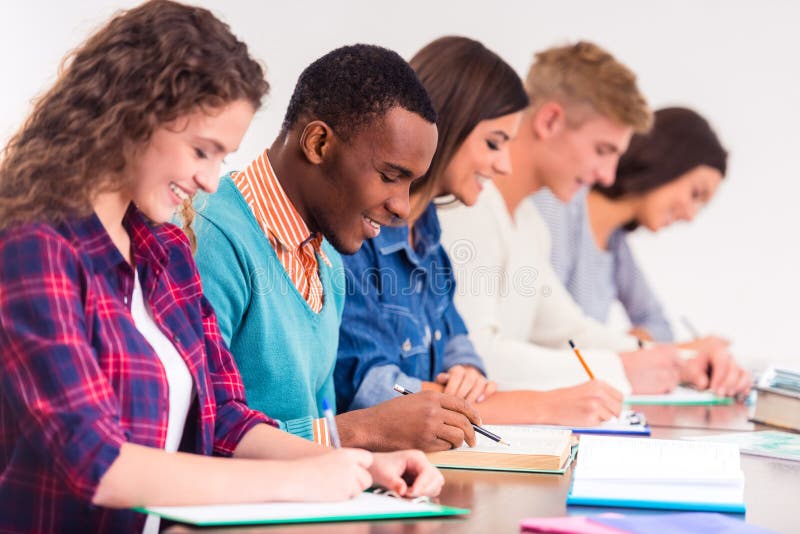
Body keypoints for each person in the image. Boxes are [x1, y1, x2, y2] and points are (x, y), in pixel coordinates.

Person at [0, 3, 441, 532]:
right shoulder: (34, 246)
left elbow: (225, 418)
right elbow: (96, 461)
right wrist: (296, 481)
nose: (210, 181)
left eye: (222, 158)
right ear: (130, 118)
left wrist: (360, 466)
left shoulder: (164, 249)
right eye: (200, 151)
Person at [188, 43, 483, 453]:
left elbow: (322, 426)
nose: (402, 207)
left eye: (411, 184)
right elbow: (197, 433)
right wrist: (365, 430)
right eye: (390, 176)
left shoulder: (327, 262)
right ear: (319, 144)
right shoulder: (209, 236)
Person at [336, 36, 626, 427]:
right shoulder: (357, 233)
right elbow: (372, 388)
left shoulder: (429, 233)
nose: (504, 165)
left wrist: (468, 372)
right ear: (446, 126)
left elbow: (457, 338)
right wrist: (537, 406)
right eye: (493, 144)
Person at [439, 42, 749, 398]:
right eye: (603, 150)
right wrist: (622, 370)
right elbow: (478, 358)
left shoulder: (530, 225)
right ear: (550, 121)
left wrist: (682, 362)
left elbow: (571, 333)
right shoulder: (466, 207)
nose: (607, 176)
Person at [533, 107, 750, 394]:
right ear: (667, 160)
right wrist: (678, 352)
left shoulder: (616, 245)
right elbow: (548, 334)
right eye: (695, 194)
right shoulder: (555, 209)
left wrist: (643, 350)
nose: (690, 215)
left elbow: (658, 324)